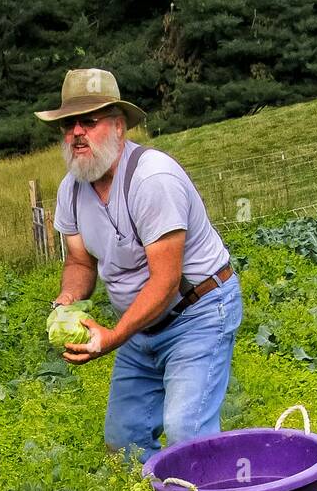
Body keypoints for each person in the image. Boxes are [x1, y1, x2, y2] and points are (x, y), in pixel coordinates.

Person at [35, 68, 243, 463]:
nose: (76, 132)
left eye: (89, 121)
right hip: (140, 325)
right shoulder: (71, 189)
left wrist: (113, 337)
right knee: (123, 439)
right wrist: (66, 299)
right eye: (68, 123)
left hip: (195, 311)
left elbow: (165, 282)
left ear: (117, 126)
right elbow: (80, 261)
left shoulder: (152, 179)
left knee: (187, 431)